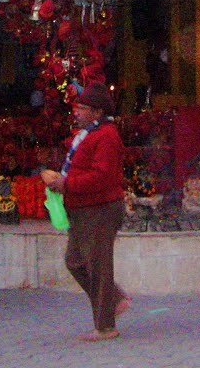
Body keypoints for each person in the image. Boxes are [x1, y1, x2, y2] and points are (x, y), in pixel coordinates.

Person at [40, 83, 130, 342]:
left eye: (82, 108)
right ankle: (113, 300)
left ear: (97, 112)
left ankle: (105, 326)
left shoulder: (107, 137)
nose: (77, 112)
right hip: (82, 208)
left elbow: (102, 177)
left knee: (98, 266)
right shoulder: (89, 134)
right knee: (75, 261)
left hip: (99, 209)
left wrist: (65, 184)